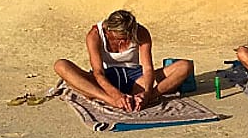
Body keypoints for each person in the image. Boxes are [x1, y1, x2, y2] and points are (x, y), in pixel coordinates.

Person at [53, 10, 191, 112]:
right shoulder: (95, 35)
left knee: (185, 66)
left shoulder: (140, 32)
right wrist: (115, 96)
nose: (125, 40)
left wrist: (147, 93)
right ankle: (108, 100)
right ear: (109, 30)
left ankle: (145, 99)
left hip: (136, 78)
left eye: (128, 36)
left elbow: (148, 69)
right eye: (121, 37)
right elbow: (98, 72)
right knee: (61, 65)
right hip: (107, 79)